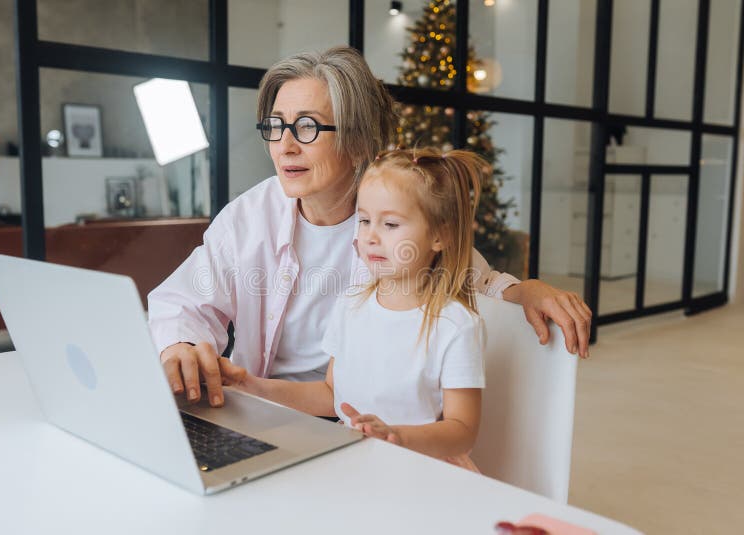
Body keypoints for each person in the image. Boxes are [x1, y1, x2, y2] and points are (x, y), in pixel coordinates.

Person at [147, 46, 592, 409]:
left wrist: (526, 289)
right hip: (259, 405)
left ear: (358, 141)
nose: (284, 145)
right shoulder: (250, 215)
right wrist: (180, 346)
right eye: (276, 126)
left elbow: (472, 279)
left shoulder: (394, 212)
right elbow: (184, 299)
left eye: (305, 127)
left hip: (359, 421)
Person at [218, 147, 488, 470]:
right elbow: (330, 393)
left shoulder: (455, 325)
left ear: (439, 236)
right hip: (357, 465)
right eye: (364, 220)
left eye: (390, 224)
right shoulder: (351, 304)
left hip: (424, 475)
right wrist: (252, 386)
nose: (371, 236)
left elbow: (463, 432)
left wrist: (396, 437)